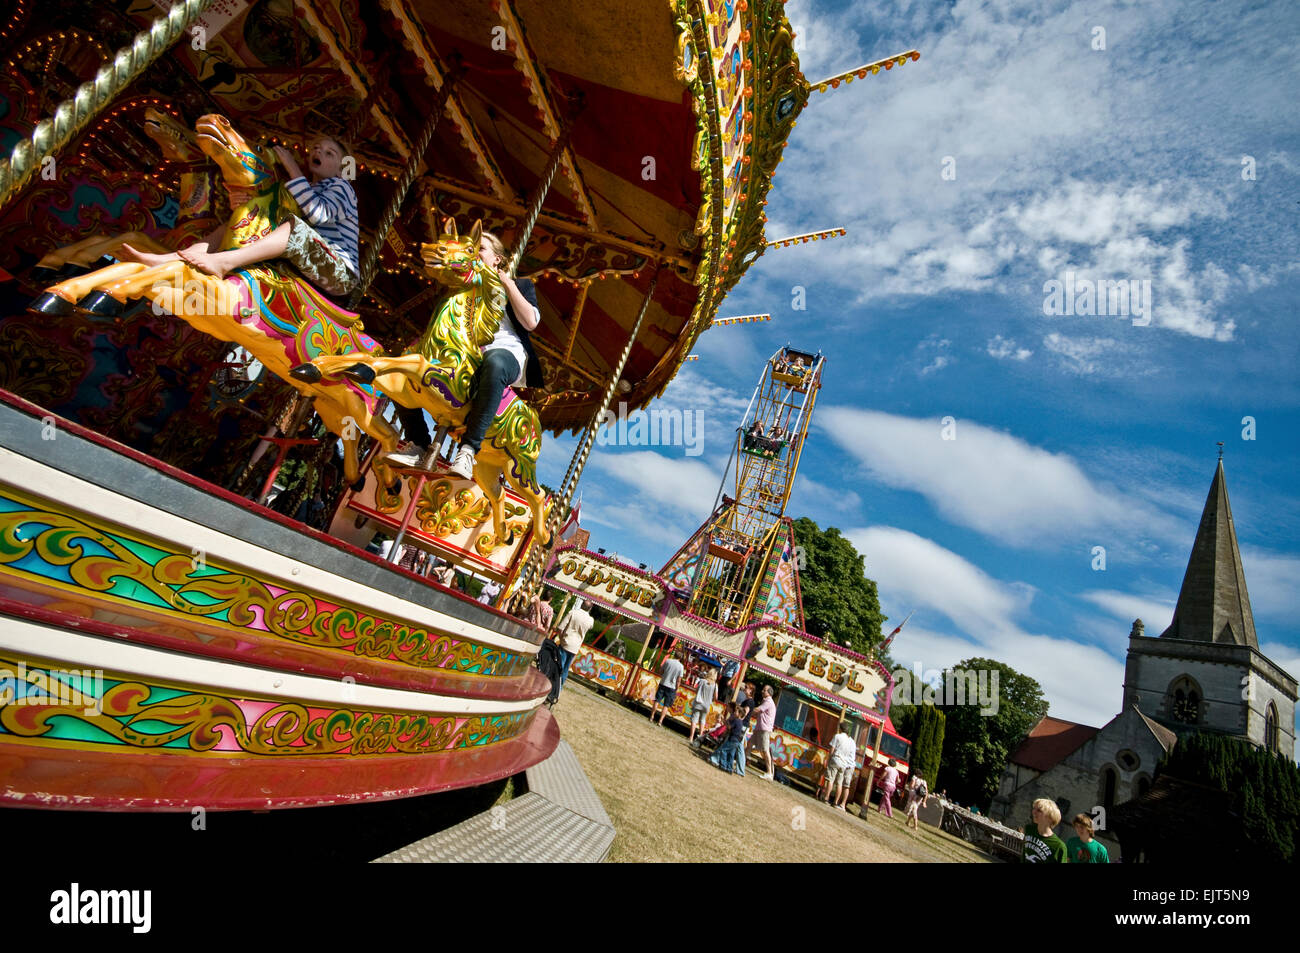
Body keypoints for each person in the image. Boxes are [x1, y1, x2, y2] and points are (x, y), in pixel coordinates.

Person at [384, 230, 544, 475]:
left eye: (481, 249)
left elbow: (531, 322)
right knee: (405, 364)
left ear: (497, 259)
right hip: (465, 351)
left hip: (504, 351)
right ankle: (418, 443)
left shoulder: (521, 285)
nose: (475, 253)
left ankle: (468, 450)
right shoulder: (467, 282)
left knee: (495, 362)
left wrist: (509, 285)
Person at [148, 137, 360, 298]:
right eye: (316, 148)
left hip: (339, 273)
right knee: (235, 223)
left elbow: (317, 213)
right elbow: (273, 213)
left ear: (342, 169)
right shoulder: (305, 188)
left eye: (330, 153)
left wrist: (292, 168)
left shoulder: (341, 186)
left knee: (295, 229)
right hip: (310, 259)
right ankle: (179, 258)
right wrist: (243, 204)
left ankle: (224, 262)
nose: (320, 152)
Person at [554, 599, 594, 691]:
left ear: (581, 605)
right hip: (575, 647)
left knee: (559, 665)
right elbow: (591, 626)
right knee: (566, 668)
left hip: (565, 642)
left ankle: (554, 685)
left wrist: (561, 638)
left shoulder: (572, 613)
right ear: (590, 608)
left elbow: (560, 628)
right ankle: (559, 688)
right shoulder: (590, 620)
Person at [744, 684, 777, 780]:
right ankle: (741, 760)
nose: (762, 691)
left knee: (765, 750)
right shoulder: (765, 701)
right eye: (763, 690)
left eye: (764, 690)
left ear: (769, 693)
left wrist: (748, 709)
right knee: (749, 744)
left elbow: (758, 709)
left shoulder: (768, 702)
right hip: (759, 728)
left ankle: (769, 773)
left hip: (764, 729)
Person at [1022, 798, 1069, 863]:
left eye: (1039, 810)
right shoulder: (1029, 829)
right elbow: (1023, 855)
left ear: (1050, 817)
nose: (1034, 812)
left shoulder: (1059, 846)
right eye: (1034, 808)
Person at [823, 721, 857, 810]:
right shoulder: (850, 741)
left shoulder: (837, 736)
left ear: (840, 728)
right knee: (839, 783)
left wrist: (828, 759)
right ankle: (835, 802)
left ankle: (826, 798)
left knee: (831, 779)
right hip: (844, 763)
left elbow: (832, 749)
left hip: (836, 758)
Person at [709, 704, 747, 776]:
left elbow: (729, 727)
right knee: (731, 754)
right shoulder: (740, 722)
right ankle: (729, 768)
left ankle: (723, 766)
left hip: (732, 739)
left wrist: (725, 721)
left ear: (740, 714)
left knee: (723, 750)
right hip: (737, 741)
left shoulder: (736, 720)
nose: (734, 713)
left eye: (736, 712)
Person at [650, 651, 685, 725]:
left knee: (657, 701)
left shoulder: (668, 661)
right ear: (681, 658)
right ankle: (660, 721)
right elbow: (679, 680)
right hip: (672, 686)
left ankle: (652, 716)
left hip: (663, 683)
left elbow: (660, 671)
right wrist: (677, 688)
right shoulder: (681, 667)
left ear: (675, 655)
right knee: (666, 705)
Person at [688, 668, 718, 747]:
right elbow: (716, 697)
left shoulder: (702, 681)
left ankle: (691, 737)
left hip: (698, 702)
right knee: (702, 721)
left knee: (694, 720)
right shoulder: (715, 685)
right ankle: (700, 737)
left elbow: (697, 690)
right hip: (706, 704)